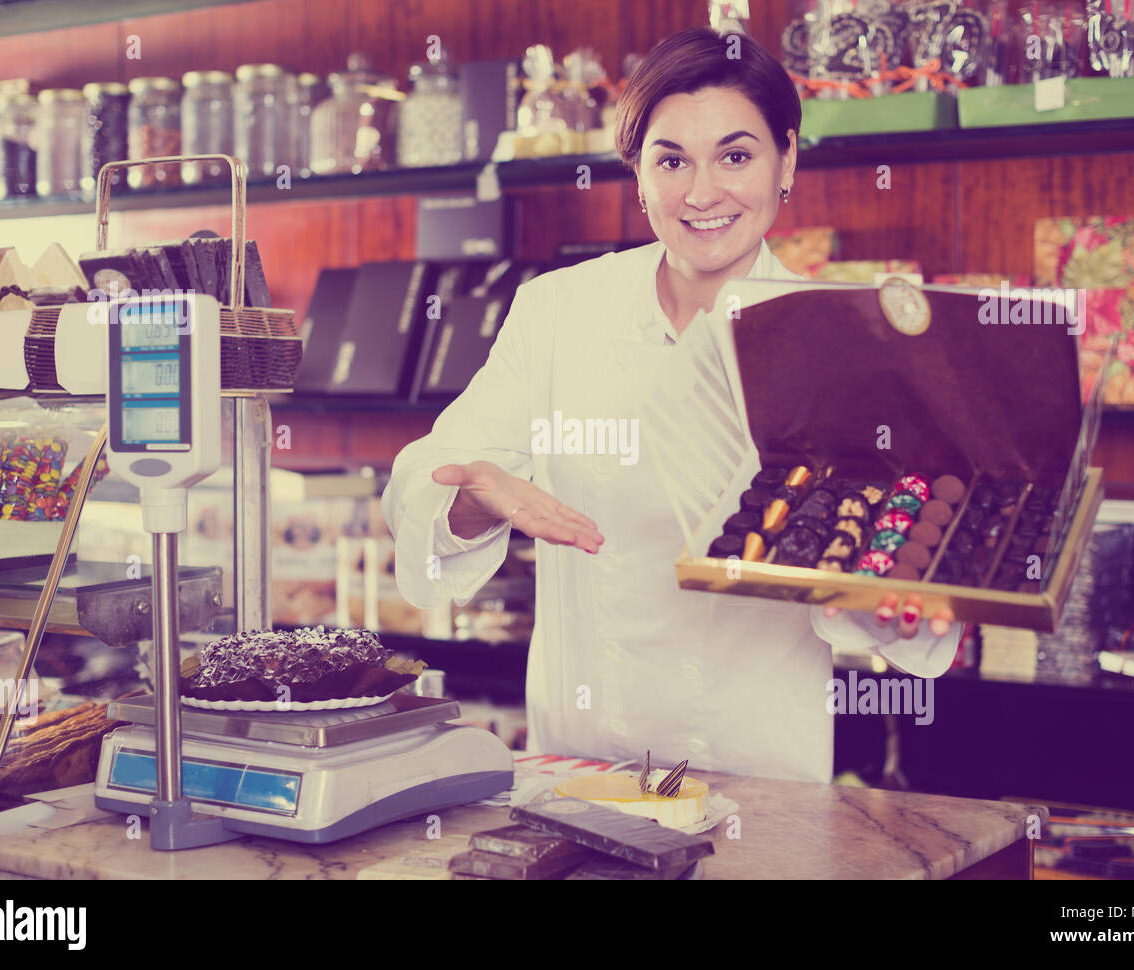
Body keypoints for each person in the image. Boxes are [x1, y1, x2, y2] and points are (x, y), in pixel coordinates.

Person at [382, 26, 962, 781]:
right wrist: (474, 501)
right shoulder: (558, 311)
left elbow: (901, 608)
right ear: (636, 172)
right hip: (584, 768)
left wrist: (889, 596)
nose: (702, 193)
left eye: (735, 155)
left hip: (764, 777)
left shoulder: (845, 339)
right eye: (671, 160)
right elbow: (426, 476)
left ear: (787, 159)